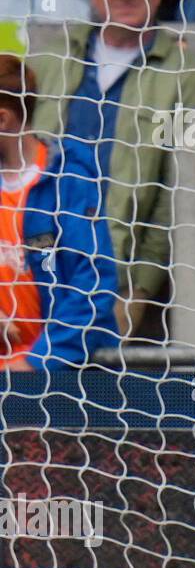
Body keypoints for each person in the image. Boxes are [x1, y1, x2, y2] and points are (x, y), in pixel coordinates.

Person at [26, 0, 195, 338]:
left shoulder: (185, 77)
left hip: (114, 280)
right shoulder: (50, 59)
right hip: (33, 268)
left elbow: (172, 196)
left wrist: (140, 290)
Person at [0, 54, 119, 371]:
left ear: (3, 119)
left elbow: (93, 284)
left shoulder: (68, 180)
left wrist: (38, 362)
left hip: (61, 380)